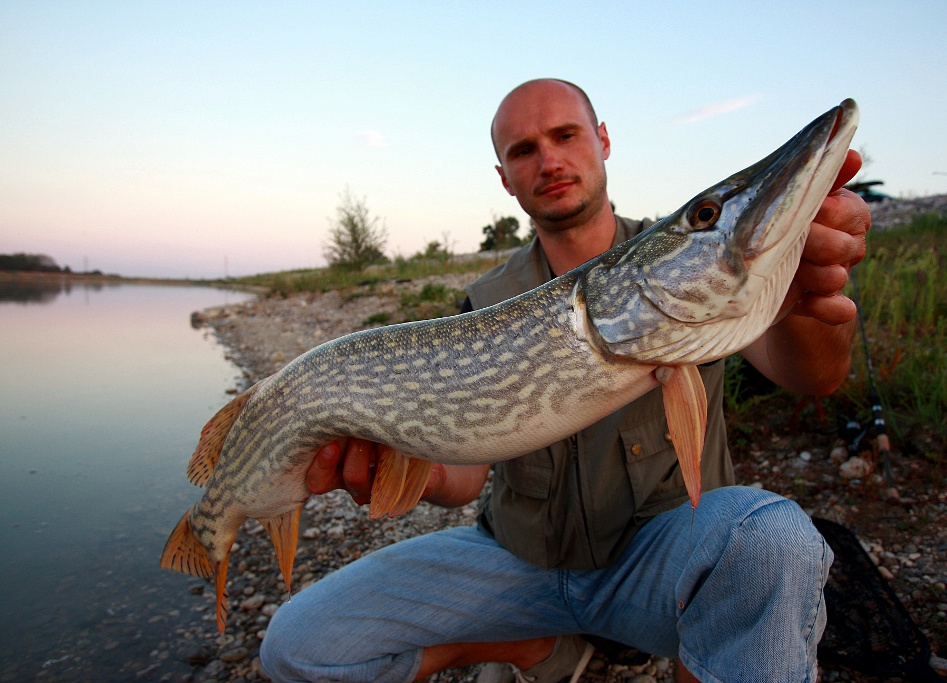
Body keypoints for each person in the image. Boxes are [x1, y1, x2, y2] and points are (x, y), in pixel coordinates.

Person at [260, 79, 871, 683]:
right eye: (524, 150)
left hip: (657, 565)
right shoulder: (487, 301)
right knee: (297, 645)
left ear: (602, 140)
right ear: (504, 177)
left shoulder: (695, 277)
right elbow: (464, 476)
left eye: (565, 135)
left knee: (772, 542)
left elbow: (817, 376)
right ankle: (536, 646)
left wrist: (806, 296)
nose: (549, 160)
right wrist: (406, 464)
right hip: (518, 563)